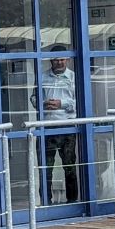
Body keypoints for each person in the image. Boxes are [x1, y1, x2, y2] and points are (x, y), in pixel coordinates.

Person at [38, 46, 80, 204]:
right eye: (56, 59)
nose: (59, 62)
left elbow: (79, 102)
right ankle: (45, 202)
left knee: (69, 166)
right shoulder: (42, 77)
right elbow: (34, 98)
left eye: (62, 59)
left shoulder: (74, 77)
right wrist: (43, 104)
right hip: (47, 127)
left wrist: (61, 104)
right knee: (45, 167)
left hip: (68, 126)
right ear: (51, 60)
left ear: (67, 60)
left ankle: (73, 201)